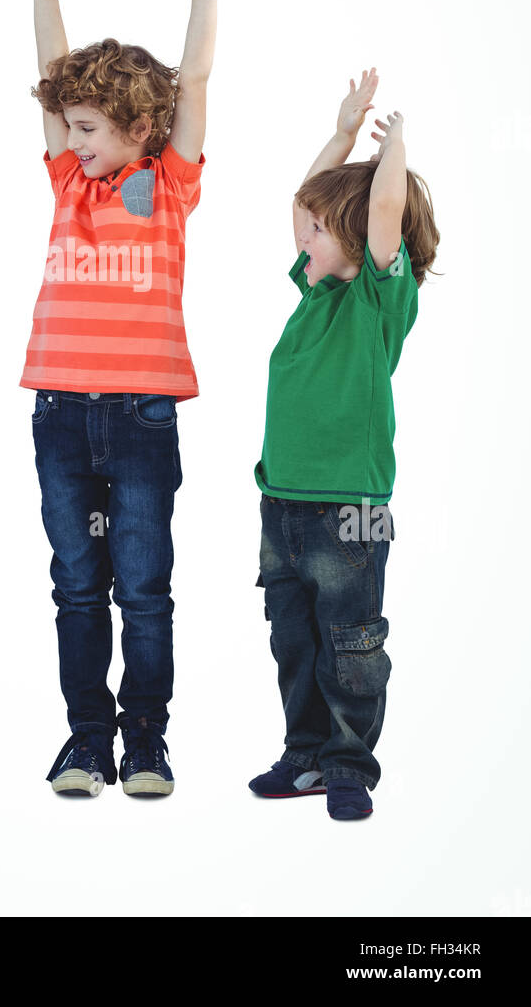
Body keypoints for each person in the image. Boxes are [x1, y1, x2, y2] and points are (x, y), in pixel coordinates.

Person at [11, 0, 231, 796]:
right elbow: (53, 68)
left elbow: (197, 79)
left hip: (141, 418)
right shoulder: (70, 182)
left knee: (142, 588)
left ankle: (146, 737)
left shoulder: (168, 183)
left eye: (89, 128)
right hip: (61, 413)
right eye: (67, 127)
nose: (72, 139)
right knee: (75, 587)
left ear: (138, 130)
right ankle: (85, 740)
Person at [250, 67, 439, 819]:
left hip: (348, 515)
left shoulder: (374, 301)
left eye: (323, 229)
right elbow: (305, 199)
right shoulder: (316, 290)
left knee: (352, 647)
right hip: (282, 507)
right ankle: (305, 757)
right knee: (294, 645)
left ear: (362, 242)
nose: (304, 233)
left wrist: (392, 148)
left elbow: (385, 206)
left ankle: (349, 766)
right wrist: (339, 132)